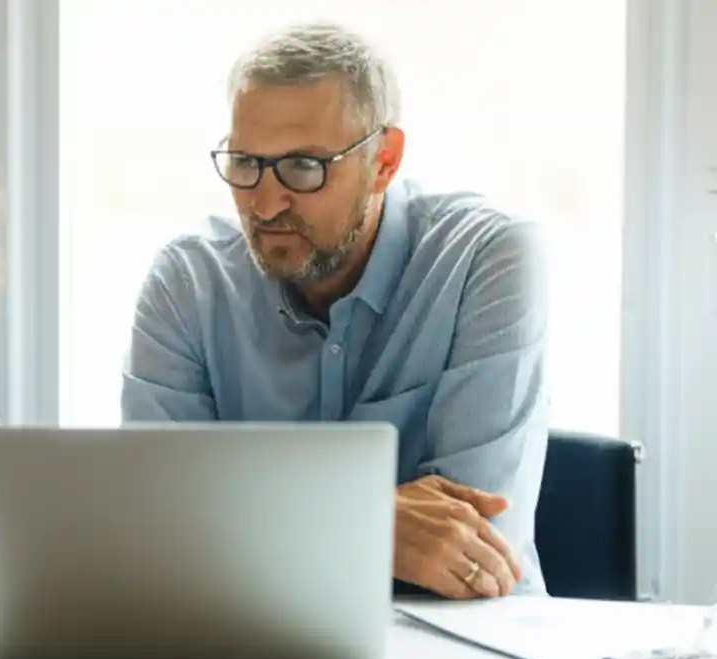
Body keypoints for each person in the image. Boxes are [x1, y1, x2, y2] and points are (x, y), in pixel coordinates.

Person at [122, 23, 549, 599]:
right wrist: (369, 518)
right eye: (246, 162)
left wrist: (240, 518)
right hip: (249, 653)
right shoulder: (187, 283)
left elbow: (469, 550)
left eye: (304, 168)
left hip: (460, 655)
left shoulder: (487, 259)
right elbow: (153, 524)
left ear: (384, 161)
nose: (266, 203)